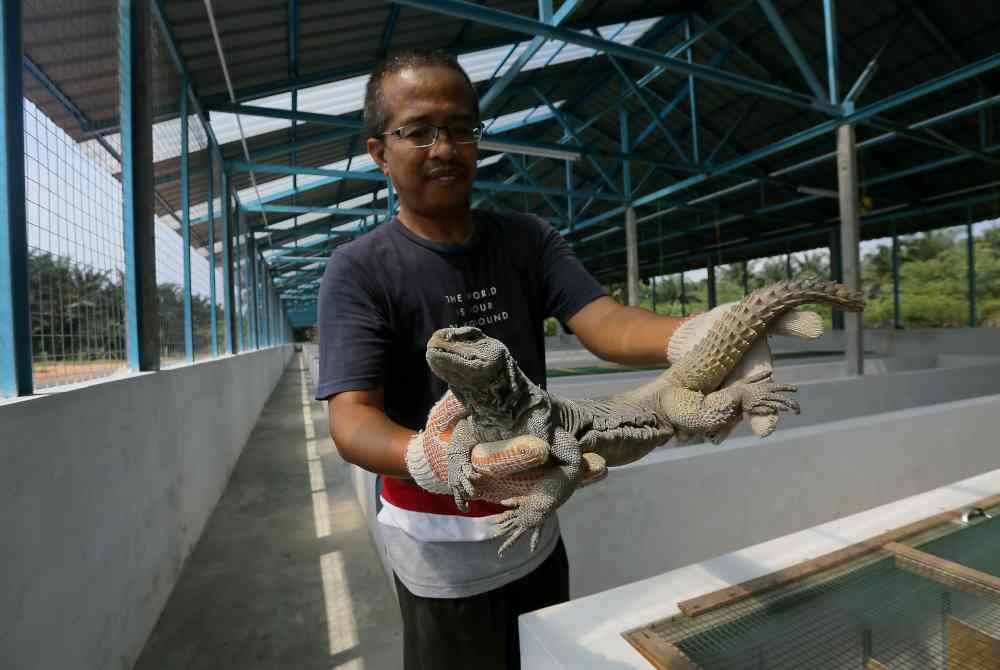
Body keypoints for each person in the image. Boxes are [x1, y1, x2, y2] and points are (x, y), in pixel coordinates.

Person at [315, 49, 690, 670]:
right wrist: (433, 457)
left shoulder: (525, 239)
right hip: (440, 550)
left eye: (462, 128)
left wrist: (692, 333)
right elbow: (352, 419)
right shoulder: (359, 269)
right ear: (380, 151)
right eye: (419, 131)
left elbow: (604, 321)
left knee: (545, 657)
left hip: (534, 523)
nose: (445, 147)